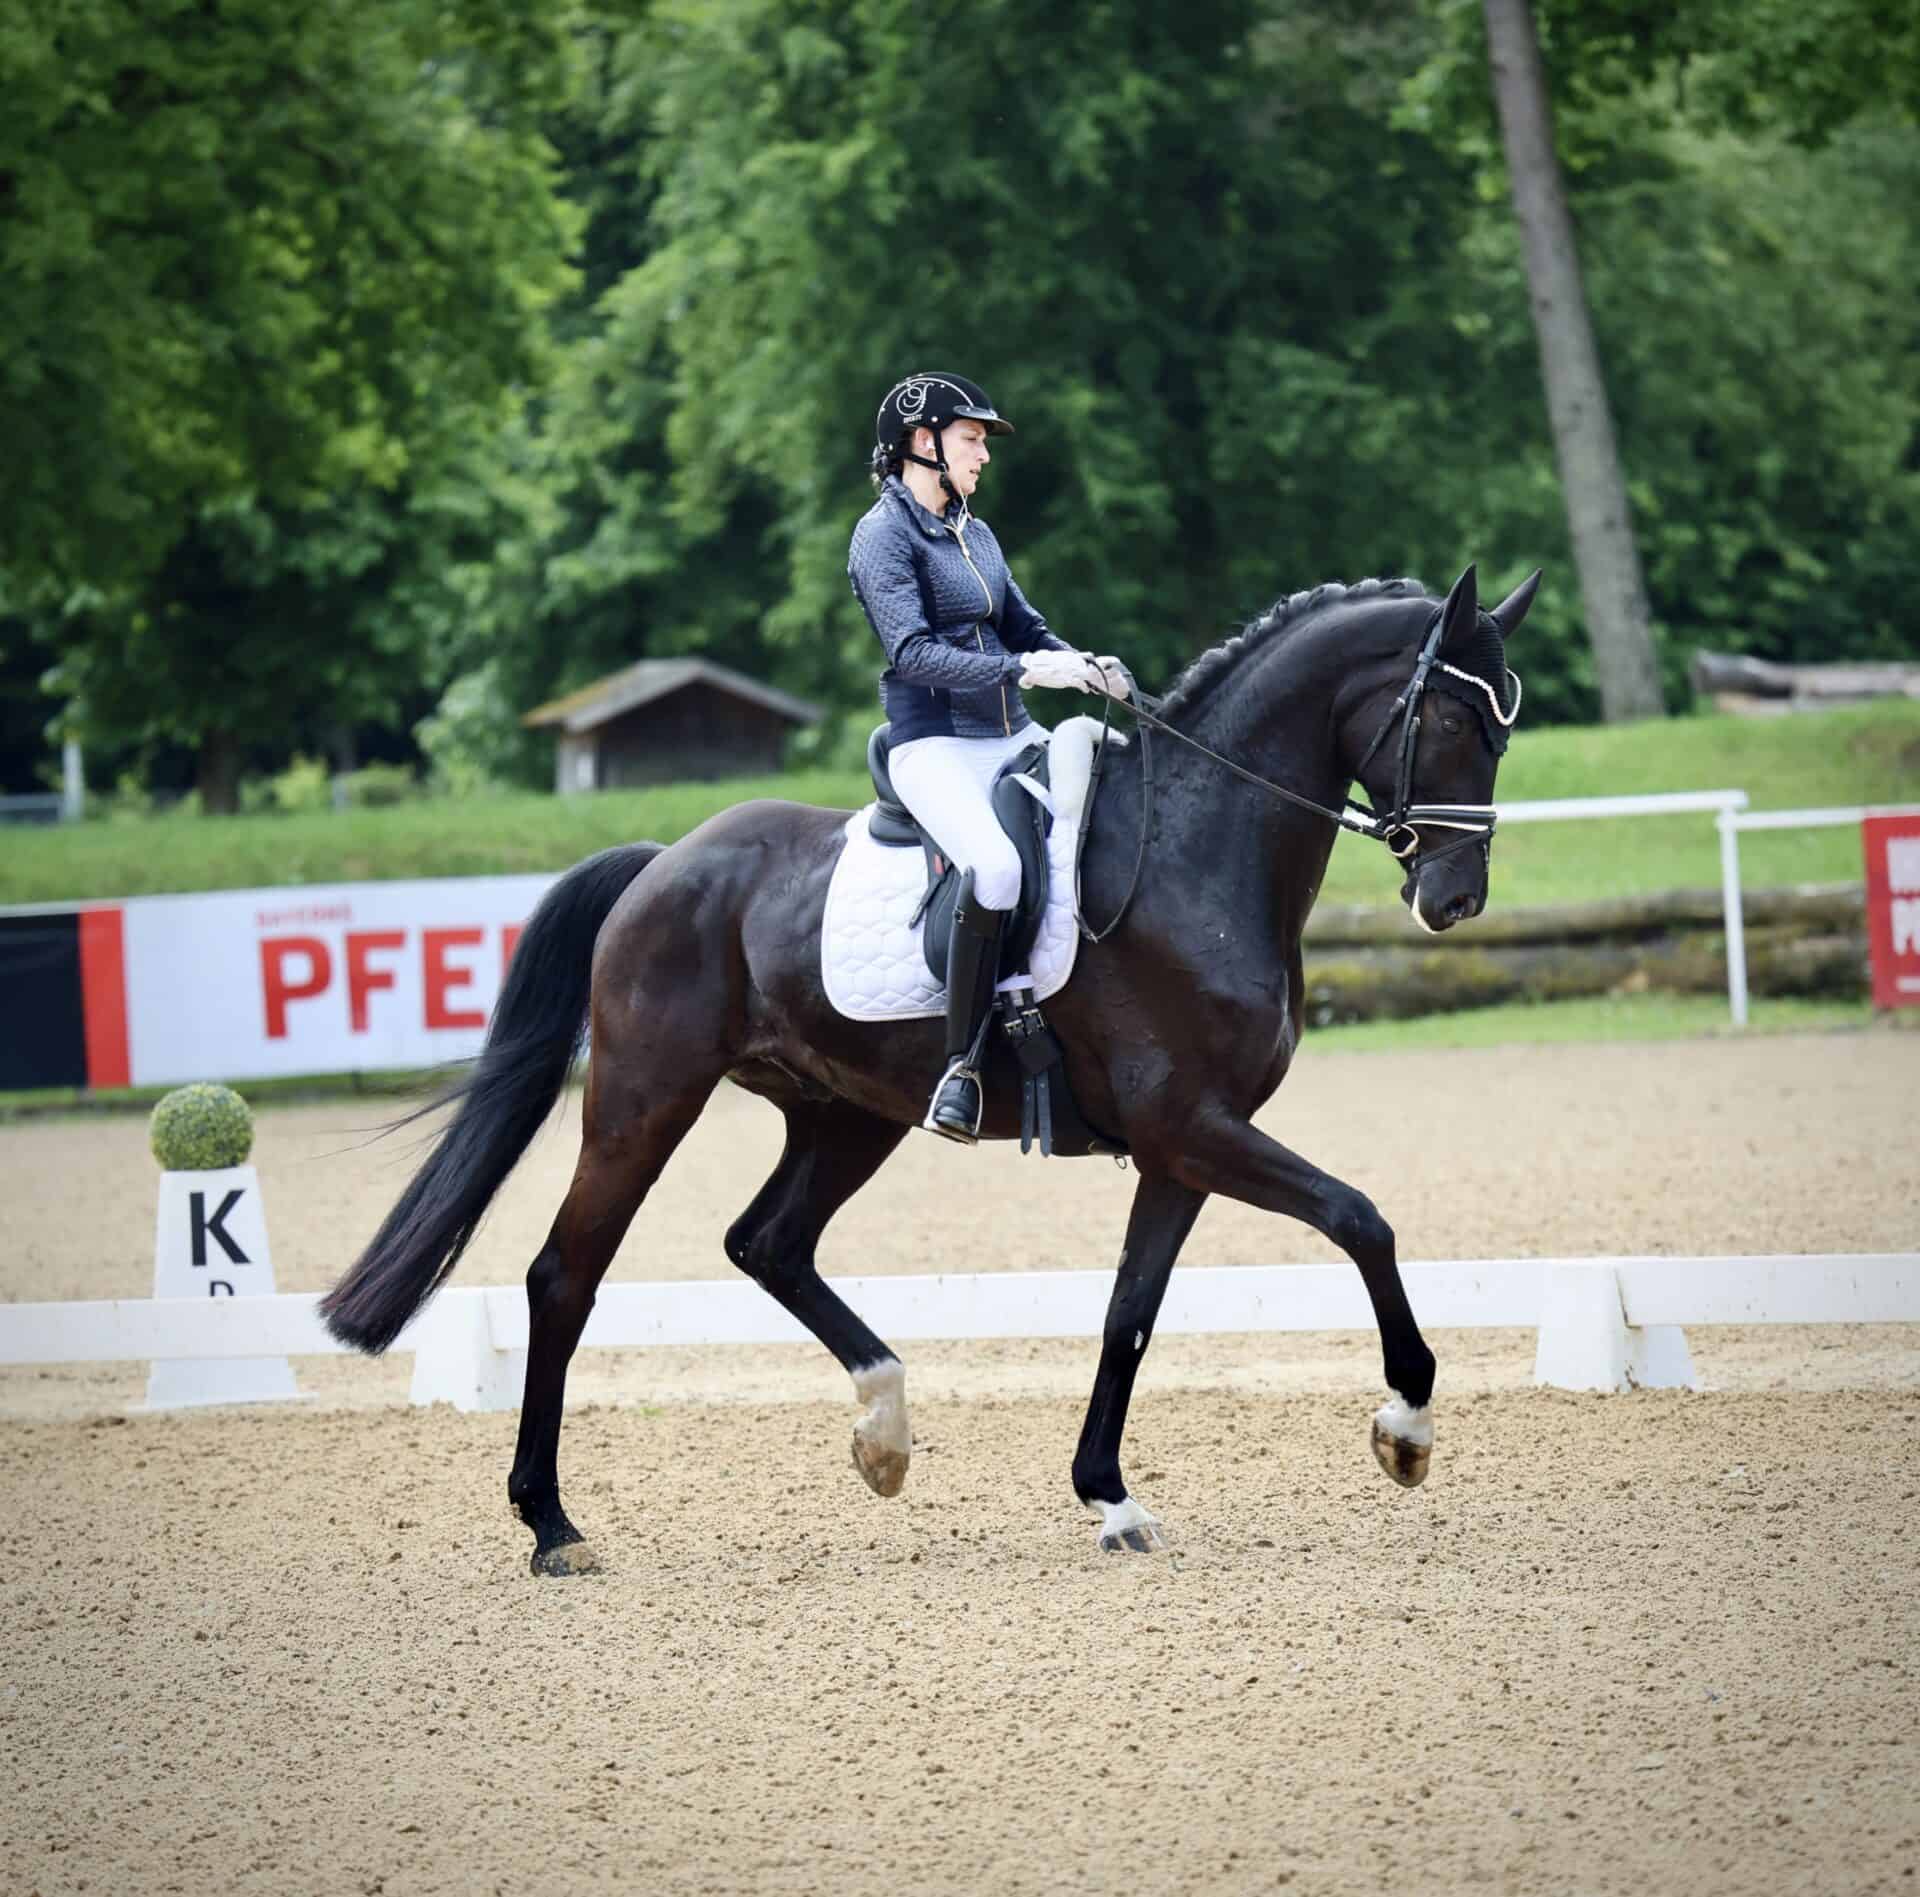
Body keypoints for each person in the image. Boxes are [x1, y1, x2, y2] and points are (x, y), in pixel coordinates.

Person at [847, 371, 1129, 1143]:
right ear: (922, 442)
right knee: (998, 870)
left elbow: (1025, 626)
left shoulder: (976, 532)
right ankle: (963, 1066)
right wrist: (1021, 670)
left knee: (1116, 782)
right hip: (933, 746)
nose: (984, 455)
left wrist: (1085, 663)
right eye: (972, 438)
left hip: (1011, 735)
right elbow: (911, 652)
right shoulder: (882, 536)